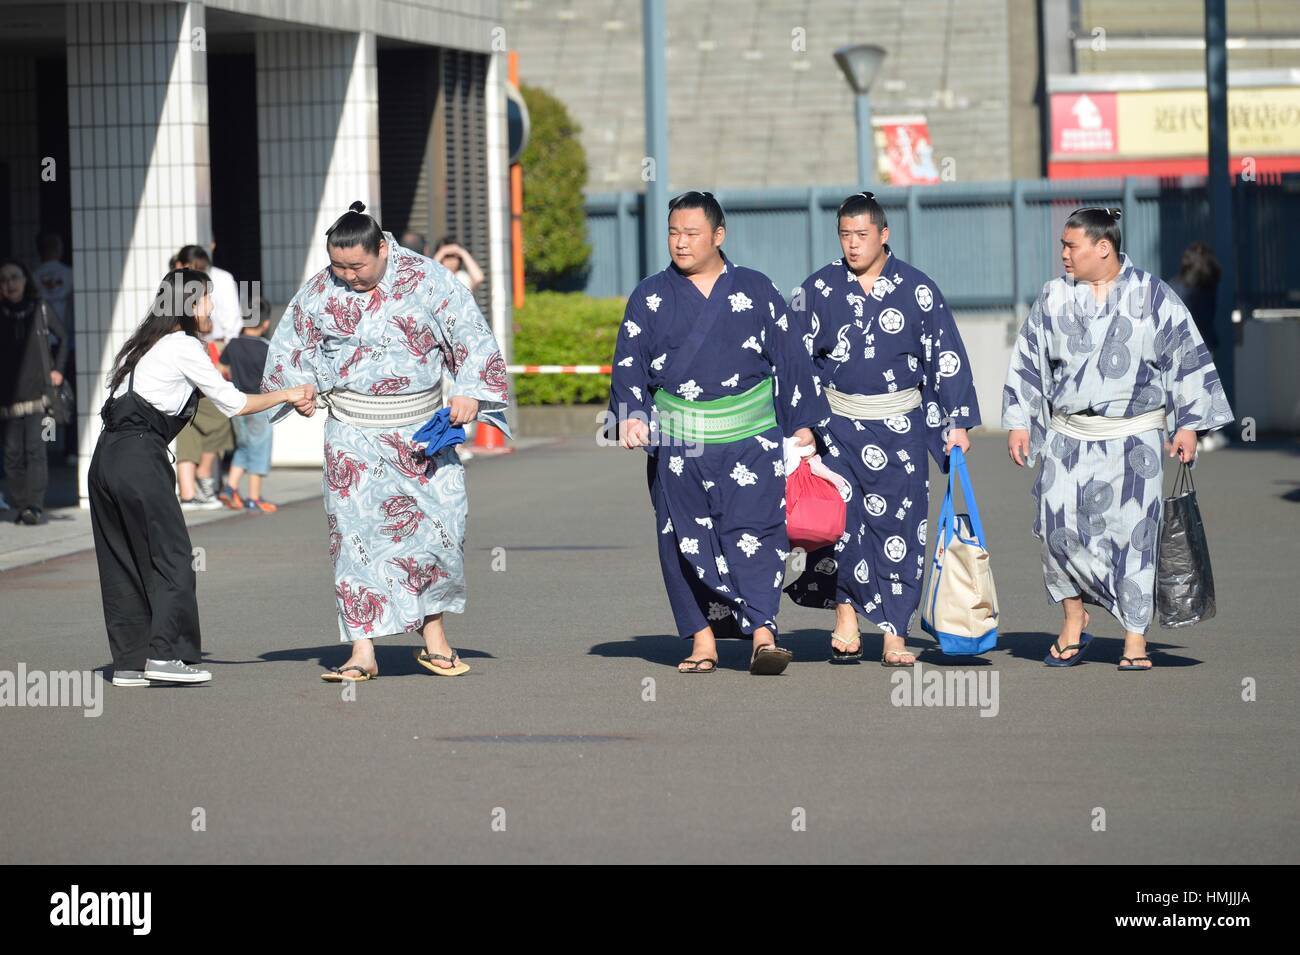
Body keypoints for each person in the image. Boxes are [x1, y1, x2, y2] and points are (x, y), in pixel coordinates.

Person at [264, 201, 510, 682]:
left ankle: (434, 635)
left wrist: (469, 392)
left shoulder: (428, 279)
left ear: (382, 248)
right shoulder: (319, 290)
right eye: (339, 266)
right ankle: (362, 650)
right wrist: (300, 389)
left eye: (357, 265)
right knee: (355, 539)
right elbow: (291, 347)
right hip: (352, 432)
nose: (348, 275)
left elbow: (470, 335)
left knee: (437, 532)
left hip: (420, 433)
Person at [1002, 207, 1234, 671]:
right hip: (1068, 435)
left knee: (1133, 536)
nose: (1064, 254)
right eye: (1063, 246)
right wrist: (1020, 420)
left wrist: (1188, 423)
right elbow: (1028, 361)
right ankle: (1074, 618)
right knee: (1055, 530)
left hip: (1133, 441)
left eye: (1072, 246)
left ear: (1102, 247)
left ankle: (1134, 638)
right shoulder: (1052, 298)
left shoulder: (1153, 296)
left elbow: (1184, 357)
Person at [608, 191, 828, 675]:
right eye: (673, 233)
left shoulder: (756, 288)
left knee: (756, 531)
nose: (680, 243)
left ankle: (763, 635)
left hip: (751, 437)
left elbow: (790, 358)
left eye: (691, 233)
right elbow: (629, 362)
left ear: (718, 236)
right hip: (679, 441)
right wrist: (630, 413)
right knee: (680, 538)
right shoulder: (650, 295)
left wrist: (805, 424)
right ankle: (702, 640)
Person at [784, 192, 980, 666]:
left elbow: (945, 357)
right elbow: (793, 360)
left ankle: (895, 631)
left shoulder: (918, 289)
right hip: (838, 427)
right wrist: (803, 423)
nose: (853, 245)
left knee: (901, 526)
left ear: (884, 234)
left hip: (902, 429)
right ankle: (846, 618)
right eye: (845, 236)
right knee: (843, 526)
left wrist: (955, 423)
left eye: (862, 235)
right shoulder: (819, 289)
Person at [88, 268, 310, 686]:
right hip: (139, 457)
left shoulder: (145, 346)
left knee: (122, 560)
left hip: (105, 459)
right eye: (208, 299)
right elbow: (233, 402)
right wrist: (290, 393)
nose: (213, 308)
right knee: (172, 556)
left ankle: (131, 662)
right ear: (191, 305)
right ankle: (165, 655)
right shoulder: (184, 346)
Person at [1, 258, 69, 525]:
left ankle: (34, 506)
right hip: (7, 397)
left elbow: (63, 337)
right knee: (12, 456)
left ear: (25, 280)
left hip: (38, 394)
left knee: (35, 451)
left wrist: (58, 370)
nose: (9, 284)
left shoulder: (39, 308)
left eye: (14, 277)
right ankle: (21, 504)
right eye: (4, 279)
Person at [170, 245, 236, 509]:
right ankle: (197, 484)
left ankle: (189, 492)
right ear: (179, 266)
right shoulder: (179, 293)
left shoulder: (174, 290)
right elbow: (220, 323)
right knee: (212, 421)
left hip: (208, 351)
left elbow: (228, 323)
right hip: (201, 355)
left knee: (188, 426)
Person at [219, 298, 278, 512]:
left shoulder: (233, 344)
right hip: (260, 405)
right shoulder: (267, 348)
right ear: (265, 324)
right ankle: (254, 497)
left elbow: (221, 368)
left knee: (243, 446)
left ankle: (230, 488)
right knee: (259, 449)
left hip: (237, 404)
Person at [1169, 241, 1227, 451]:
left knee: (1183, 392)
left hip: (1180, 346)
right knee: (1203, 390)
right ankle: (1205, 433)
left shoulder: (1174, 287)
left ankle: (1189, 433)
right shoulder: (1209, 286)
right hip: (1204, 343)